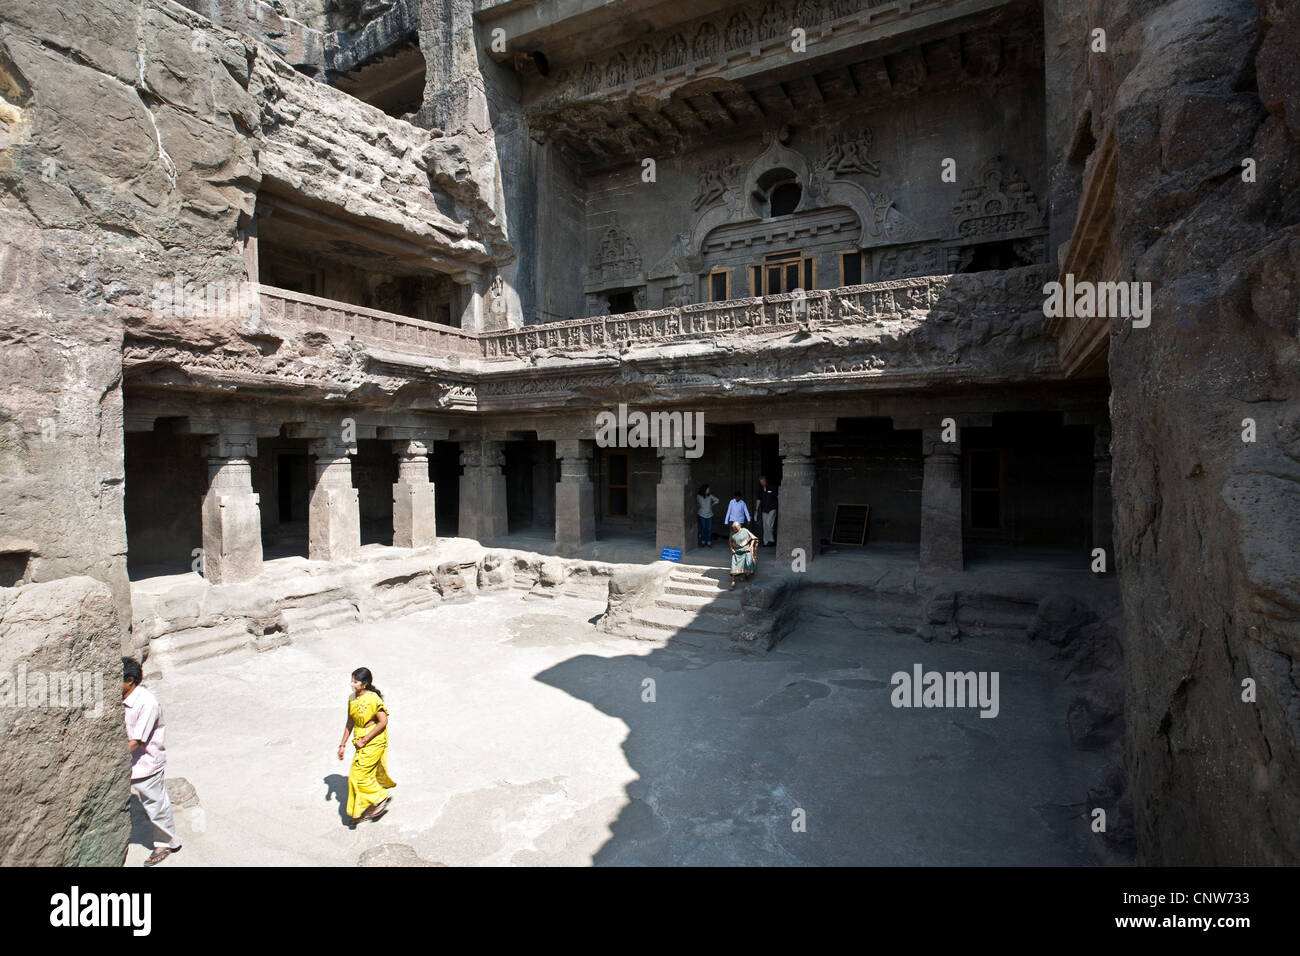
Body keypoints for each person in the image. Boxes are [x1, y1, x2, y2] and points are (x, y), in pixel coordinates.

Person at [121, 657, 182, 867]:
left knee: (156, 805)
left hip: (145, 765)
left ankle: (165, 843)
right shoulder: (122, 698)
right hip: (128, 764)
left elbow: (136, 741)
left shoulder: (146, 703)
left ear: (129, 680)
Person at [338, 667, 395, 824]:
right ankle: (368, 810)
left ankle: (381, 797)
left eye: (355, 682)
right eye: (352, 680)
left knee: (357, 777)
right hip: (360, 742)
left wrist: (365, 739)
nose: (352, 684)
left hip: (374, 741)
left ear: (365, 683)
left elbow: (383, 721)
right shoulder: (351, 698)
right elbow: (350, 721)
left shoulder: (373, 698)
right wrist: (342, 744)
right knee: (361, 775)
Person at [728, 520, 757, 589]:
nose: (734, 530)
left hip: (746, 550)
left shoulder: (745, 530)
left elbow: (753, 538)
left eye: (736, 528)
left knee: (748, 560)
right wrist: (731, 549)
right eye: (733, 529)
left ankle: (745, 575)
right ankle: (733, 581)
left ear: (739, 526)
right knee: (734, 564)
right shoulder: (732, 533)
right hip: (737, 551)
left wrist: (750, 547)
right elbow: (730, 541)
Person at [755, 474, 779, 547]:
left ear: (766, 481)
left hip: (772, 508)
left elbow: (778, 496)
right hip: (764, 509)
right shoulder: (760, 489)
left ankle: (771, 540)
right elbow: (759, 499)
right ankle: (766, 542)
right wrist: (756, 509)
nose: (762, 483)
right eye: (761, 482)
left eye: (763, 481)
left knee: (769, 523)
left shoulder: (772, 487)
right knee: (765, 526)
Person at [696, 483, 719, 548]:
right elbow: (695, 502)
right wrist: (697, 504)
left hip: (709, 515)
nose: (709, 490)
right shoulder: (698, 496)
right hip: (701, 514)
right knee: (703, 529)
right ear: (704, 490)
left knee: (709, 529)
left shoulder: (710, 496)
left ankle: (708, 542)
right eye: (708, 489)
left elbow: (717, 500)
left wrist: (712, 504)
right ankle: (703, 541)